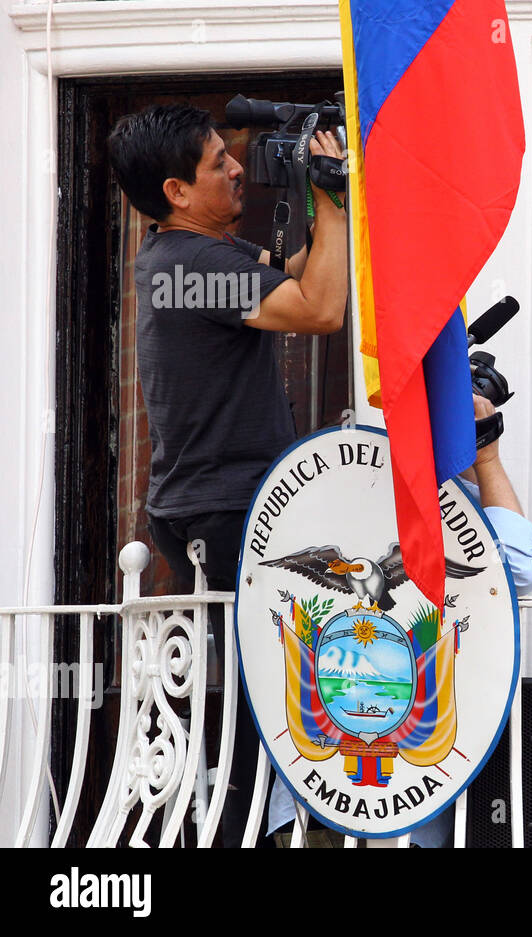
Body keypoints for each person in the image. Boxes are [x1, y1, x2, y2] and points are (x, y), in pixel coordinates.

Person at [108, 103, 349, 846]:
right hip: (223, 511)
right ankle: (242, 832)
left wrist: (325, 197)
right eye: (219, 162)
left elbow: (302, 274)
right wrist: (333, 195)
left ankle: (258, 824)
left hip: (218, 507)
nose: (239, 166)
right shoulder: (194, 265)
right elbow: (321, 309)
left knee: (267, 688)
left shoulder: (186, 259)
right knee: (254, 700)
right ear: (177, 191)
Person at [264, 394, 532, 847]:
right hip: (381, 808)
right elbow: (516, 569)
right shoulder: (411, 504)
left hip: (318, 799)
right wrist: (486, 459)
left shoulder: (333, 488)